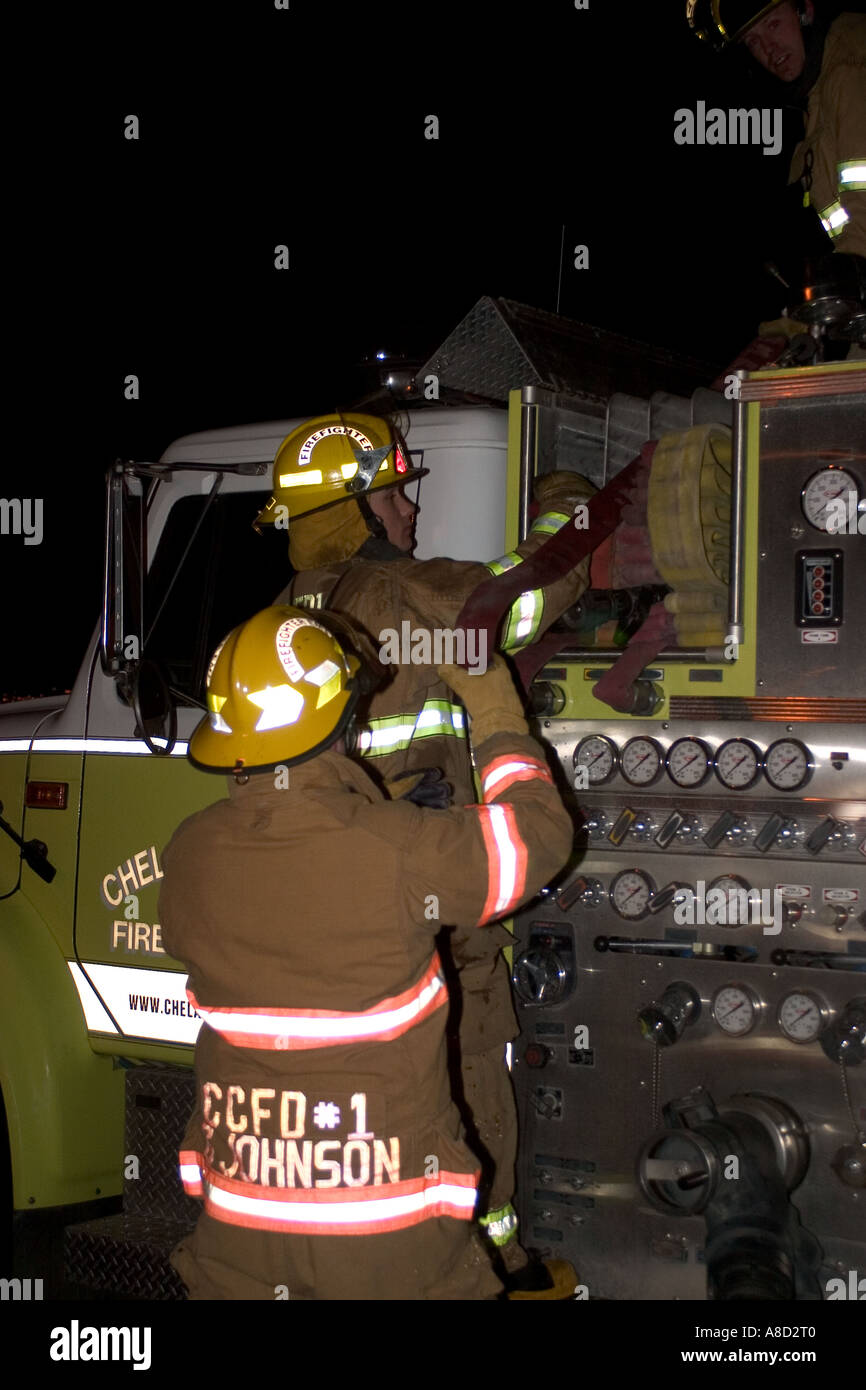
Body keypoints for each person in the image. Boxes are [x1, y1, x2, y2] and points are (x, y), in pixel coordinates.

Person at [255, 412, 595, 1292]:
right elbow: (523, 599)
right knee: (470, 1062)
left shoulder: (281, 618)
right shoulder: (408, 592)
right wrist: (574, 507)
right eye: (395, 490)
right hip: (430, 898)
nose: (409, 507)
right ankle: (493, 1259)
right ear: (358, 506)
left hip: (323, 907)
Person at [159, 605, 573, 1300]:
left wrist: (377, 808)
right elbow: (539, 835)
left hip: (238, 1246)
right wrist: (493, 702)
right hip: (390, 1258)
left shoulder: (190, 850)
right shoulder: (398, 849)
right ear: (345, 721)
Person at [689, 2, 866, 259]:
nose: (768, 49)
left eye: (774, 25)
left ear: (804, 11)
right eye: (753, 42)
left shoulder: (851, 64)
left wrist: (845, 278)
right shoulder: (815, 93)